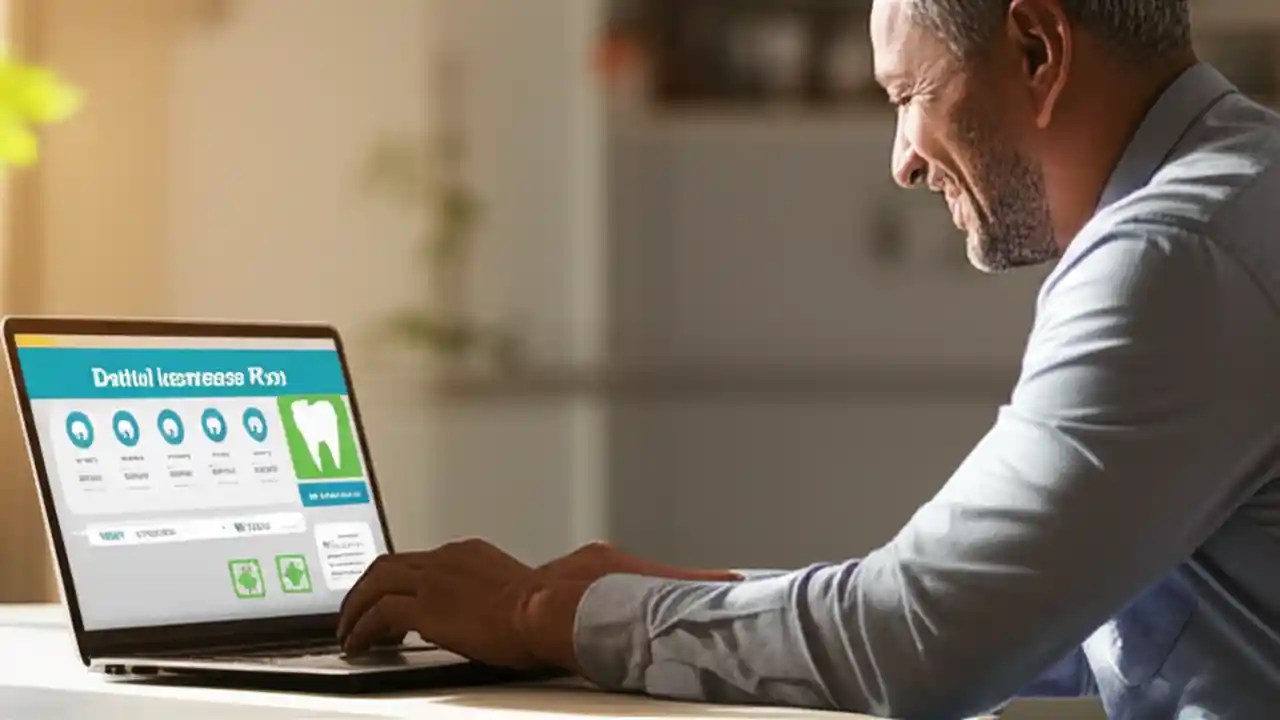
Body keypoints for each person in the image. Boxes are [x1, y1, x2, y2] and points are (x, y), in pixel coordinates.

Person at [335, 0, 1280, 716]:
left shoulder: (1171, 254)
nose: (903, 161)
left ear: (1037, 51)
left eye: (910, 96)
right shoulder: (1243, 189)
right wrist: (682, 598)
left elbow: (924, 640)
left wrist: (540, 613)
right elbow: (1049, 612)